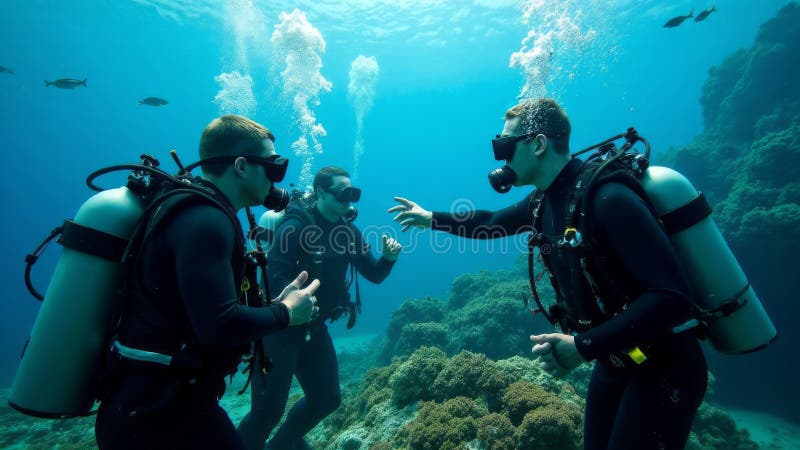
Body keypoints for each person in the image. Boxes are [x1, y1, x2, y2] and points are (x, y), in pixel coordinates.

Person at [389, 99, 707, 450]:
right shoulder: (544, 201)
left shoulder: (608, 198)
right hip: (615, 359)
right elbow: (491, 222)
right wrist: (431, 218)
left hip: (665, 367)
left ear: (538, 144)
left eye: (505, 147)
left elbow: (673, 298)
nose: (501, 159)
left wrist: (582, 347)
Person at [94, 115, 320, 450]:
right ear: (241, 166)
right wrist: (285, 312)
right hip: (158, 415)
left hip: (156, 403)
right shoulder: (207, 221)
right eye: (274, 167)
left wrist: (275, 306)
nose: (277, 180)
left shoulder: (192, 209)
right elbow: (220, 326)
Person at [238, 166, 402, 450]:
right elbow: (275, 278)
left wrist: (388, 258)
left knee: (327, 399)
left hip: (314, 327)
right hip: (279, 330)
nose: (348, 199)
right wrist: (292, 303)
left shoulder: (348, 232)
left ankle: (281, 445)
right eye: (342, 193)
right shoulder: (295, 226)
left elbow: (374, 274)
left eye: (353, 193)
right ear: (321, 193)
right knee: (267, 413)